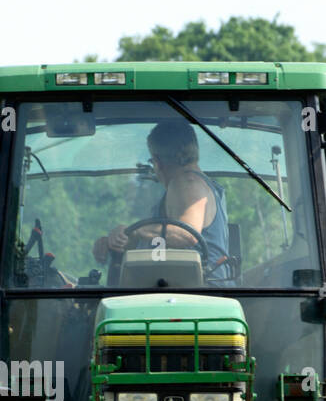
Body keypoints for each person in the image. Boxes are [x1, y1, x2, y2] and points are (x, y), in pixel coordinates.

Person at [92, 119, 234, 284]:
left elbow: (187, 235)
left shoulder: (187, 183)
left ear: (157, 162)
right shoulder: (199, 185)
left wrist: (137, 231)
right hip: (186, 289)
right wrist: (119, 240)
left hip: (198, 294)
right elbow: (161, 242)